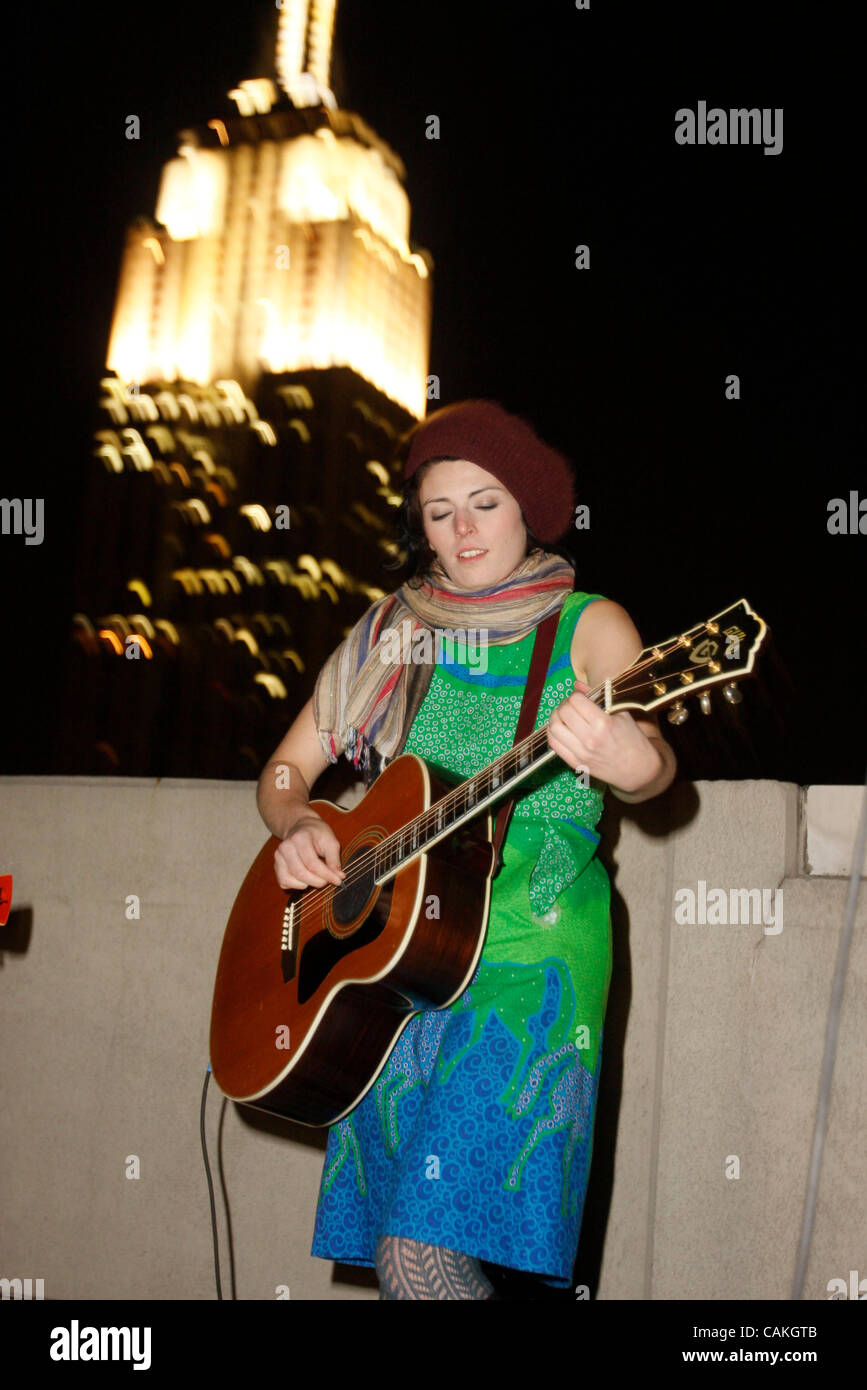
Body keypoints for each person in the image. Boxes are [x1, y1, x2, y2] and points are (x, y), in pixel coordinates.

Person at [256, 399, 676, 1299]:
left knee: (424, 1250)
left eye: (484, 502)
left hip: (533, 956)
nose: (462, 528)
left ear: (525, 506)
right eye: (439, 512)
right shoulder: (390, 634)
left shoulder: (589, 625)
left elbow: (651, 769)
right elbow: (286, 773)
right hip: (393, 963)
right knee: (403, 1263)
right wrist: (299, 822)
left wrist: (632, 761)